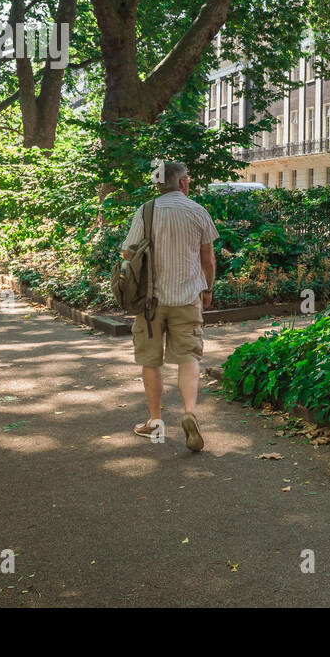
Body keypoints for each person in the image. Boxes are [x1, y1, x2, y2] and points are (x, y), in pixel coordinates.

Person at [121, 160, 218, 452]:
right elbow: (209, 261)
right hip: (188, 298)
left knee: (151, 360)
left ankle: (155, 422)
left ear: (158, 184)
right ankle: (189, 411)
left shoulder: (146, 210)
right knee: (188, 356)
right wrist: (208, 290)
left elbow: (128, 251)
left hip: (150, 301)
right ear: (183, 182)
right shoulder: (198, 211)